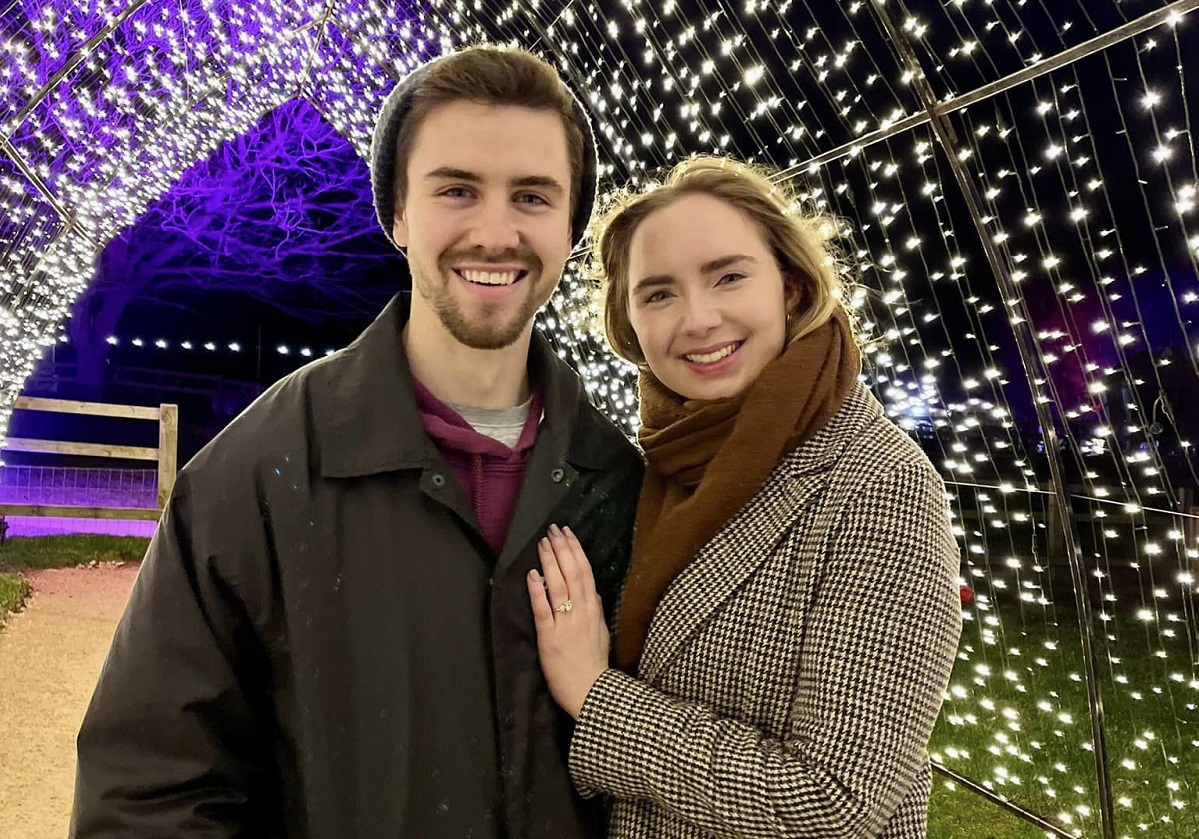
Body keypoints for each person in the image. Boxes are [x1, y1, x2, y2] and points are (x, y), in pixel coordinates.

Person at [70, 45, 643, 839]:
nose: (495, 231)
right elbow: (147, 793)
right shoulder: (262, 469)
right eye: (456, 190)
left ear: (571, 226)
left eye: (532, 196)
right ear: (398, 215)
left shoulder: (621, 485)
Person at [526, 156, 963, 838]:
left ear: (791, 285)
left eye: (728, 276)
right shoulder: (663, 465)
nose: (698, 319)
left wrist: (594, 696)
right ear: (629, 323)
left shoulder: (876, 483)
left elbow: (832, 804)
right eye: (658, 294)